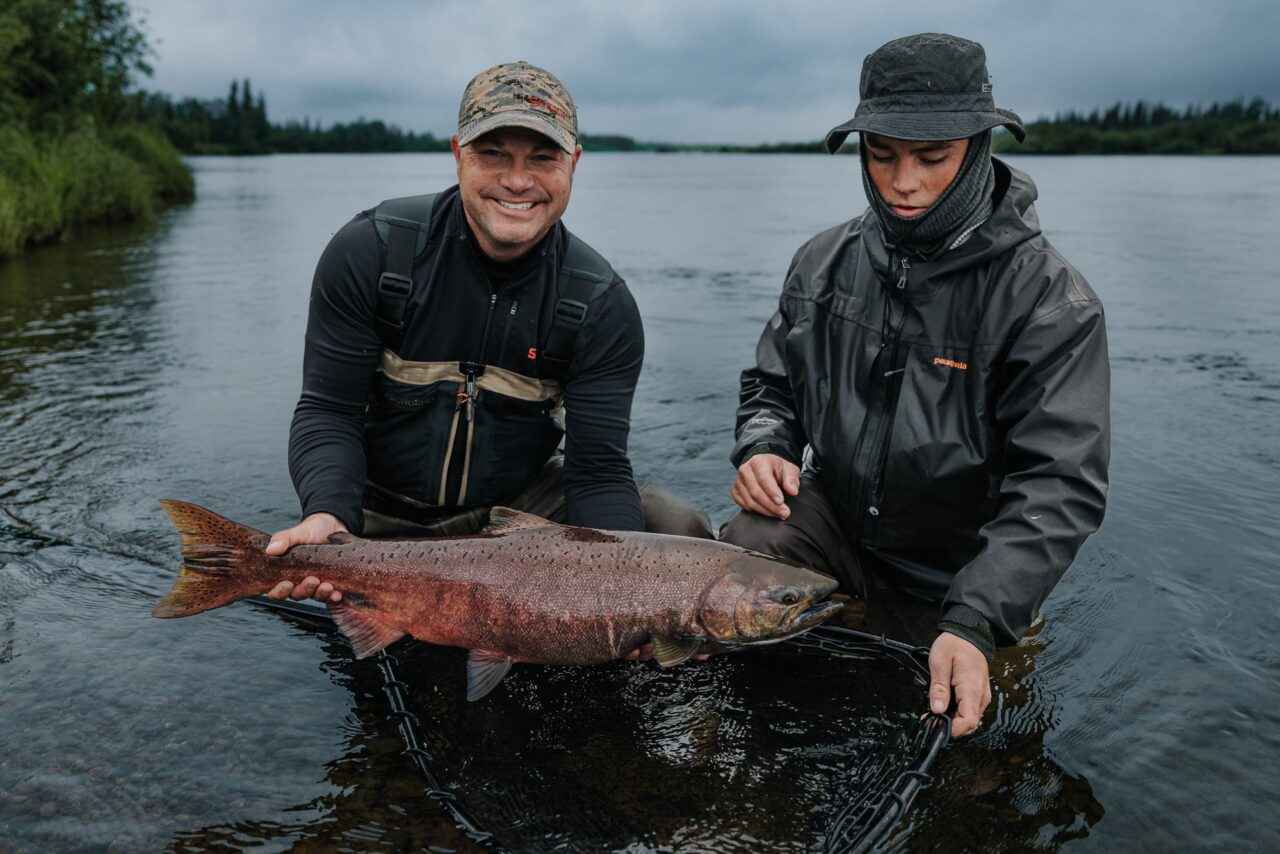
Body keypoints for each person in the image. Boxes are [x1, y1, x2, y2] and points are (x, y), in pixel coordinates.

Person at [720, 34, 1109, 737]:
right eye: (882, 154)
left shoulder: (1051, 302)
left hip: (953, 569)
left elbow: (1060, 485)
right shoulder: (820, 262)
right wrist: (763, 445)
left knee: (952, 739)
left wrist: (978, 616)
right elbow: (770, 384)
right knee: (746, 542)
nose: (904, 182)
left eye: (931, 158)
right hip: (834, 528)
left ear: (979, 146)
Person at [267, 61, 711, 603]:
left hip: (514, 521)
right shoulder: (371, 253)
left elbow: (596, 472)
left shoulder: (601, 304)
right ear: (458, 154)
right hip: (373, 516)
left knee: (672, 528)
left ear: (574, 163)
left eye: (542, 157)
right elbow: (328, 410)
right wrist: (327, 514)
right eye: (493, 153)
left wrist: (625, 592)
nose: (518, 180)